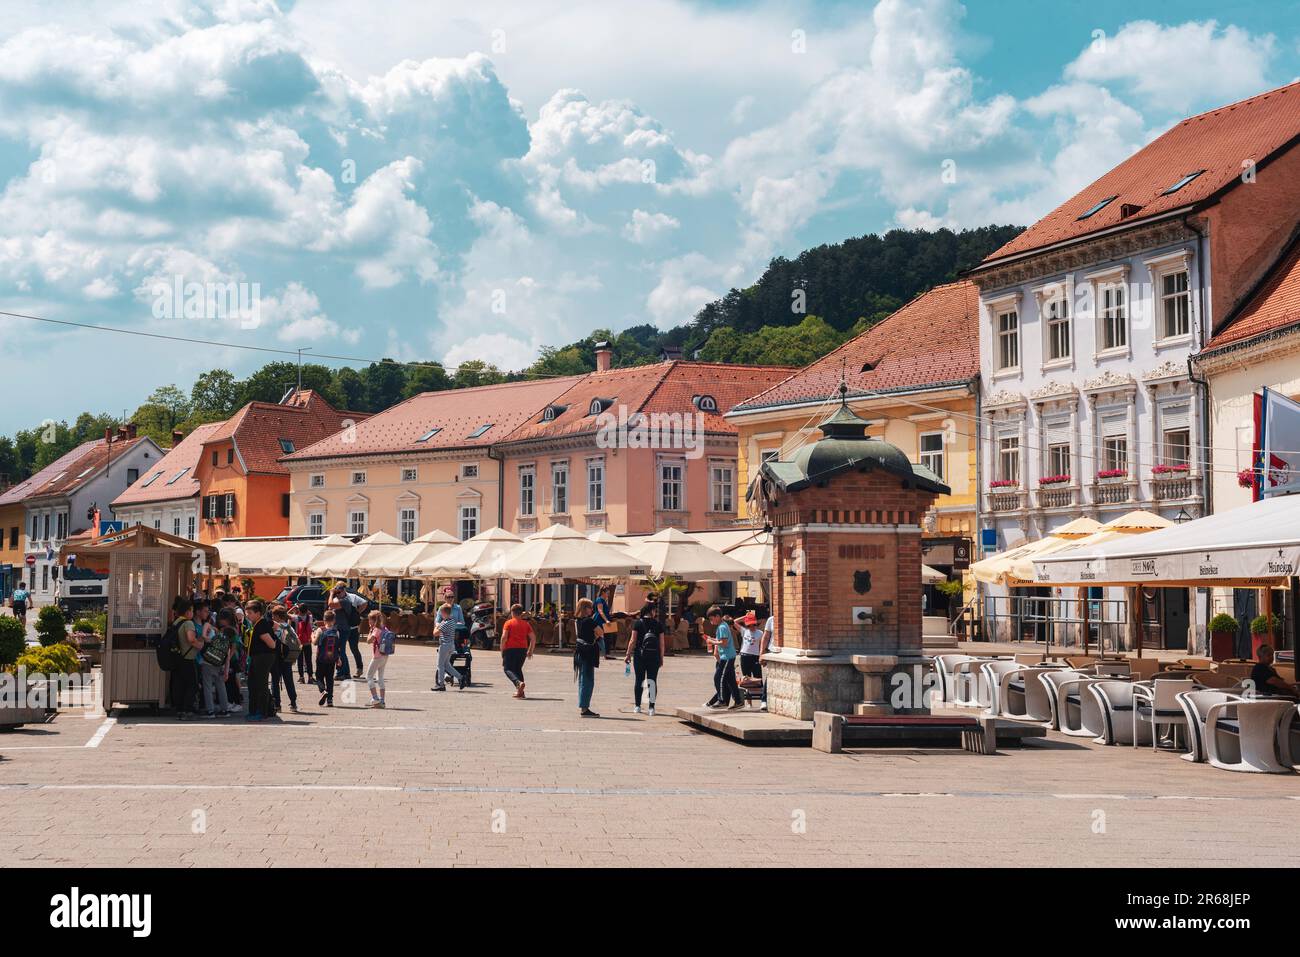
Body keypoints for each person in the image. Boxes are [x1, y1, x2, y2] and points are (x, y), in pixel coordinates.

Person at [626, 603, 665, 716]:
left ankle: (637, 706)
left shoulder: (638, 623)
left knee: (639, 680)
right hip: (654, 656)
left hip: (640, 655)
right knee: (652, 681)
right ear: (652, 611)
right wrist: (661, 658)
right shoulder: (658, 624)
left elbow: (633, 640)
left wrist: (628, 654)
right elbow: (662, 644)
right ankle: (651, 708)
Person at [169, 597, 202, 720]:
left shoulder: (176, 622)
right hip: (188, 658)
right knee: (192, 684)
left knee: (180, 685)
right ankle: (187, 710)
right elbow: (191, 639)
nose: (192, 613)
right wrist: (201, 645)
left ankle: (180, 709)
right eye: (192, 611)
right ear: (188, 611)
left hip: (177, 658)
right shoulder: (188, 623)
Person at [246, 600, 277, 721]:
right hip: (256, 658)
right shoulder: (257, 623)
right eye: (246, 612)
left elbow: (272, 645)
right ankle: (253, 711)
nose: (247, 615)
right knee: (252, 684)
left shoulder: (262, 625)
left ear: (258, 613)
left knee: (261, 685)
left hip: (263, 658)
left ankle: (262, 711)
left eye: (250, 613)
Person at [705, 606, 742, 710]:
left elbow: (724, 643)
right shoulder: (723, 625)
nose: (711, 621)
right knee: (730, 680)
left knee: (718, 677)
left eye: (712, 619)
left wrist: (712, 642)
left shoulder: (722, 627)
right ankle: (738, 701)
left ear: (717, 616)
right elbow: (721, 640)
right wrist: (712, 639)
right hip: (729, 656)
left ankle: (722, 701)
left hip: (727, 657)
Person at [499, 604, 535, 699]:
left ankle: (518, 683)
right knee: (518, 669)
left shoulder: (508, 623)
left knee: (507, 669)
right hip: (522, 649)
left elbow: (504, 637)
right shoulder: (526, 624)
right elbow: (533, 638)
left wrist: (502, 648)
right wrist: (530, 650)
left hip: (510, 649)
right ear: (521, 613)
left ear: (512, 612)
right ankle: (521, 692)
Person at [573, 597, 601, 717]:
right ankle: (585, 708)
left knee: (582, 680)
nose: (592, 609)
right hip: (588, 654)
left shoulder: (577, 621)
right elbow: (600, 631)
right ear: (585, 608)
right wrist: (595, 636)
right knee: (588, 681)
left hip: (579, 652)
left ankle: (583, 706)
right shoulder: (589, 621)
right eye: (590, 607)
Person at [269, 606, 299, 714]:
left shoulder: (276, 627)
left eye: (273, 615)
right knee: (289, 681)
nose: (272, 617)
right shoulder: (289, 628)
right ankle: (293, 703)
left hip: (276, 658)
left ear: (277, 616)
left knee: (275, 681)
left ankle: (277, 705)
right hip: (287, 658)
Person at [431, 603, 462, 691]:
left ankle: (441, 684)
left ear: (444, 613)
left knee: (440, 665)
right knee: (447, 665)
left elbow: (435, 633)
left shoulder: (446, 623)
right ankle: (460, 677)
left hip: (445, 645)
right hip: (451, 645)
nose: (440, 615)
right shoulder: (451, 621)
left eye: (441, 613)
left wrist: (436, 626)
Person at [314, 610, 340, 707]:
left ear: (324, 620)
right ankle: (330, 700)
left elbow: (315, 642)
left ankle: (323, 691)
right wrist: (338, 659)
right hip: (332, 659)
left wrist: (312, 636)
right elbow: (338, 647)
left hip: (320, 658)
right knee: (330, 679)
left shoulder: (320, 630)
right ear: (334, 620)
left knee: (319, 677)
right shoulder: (336, 631)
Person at [365, 609, 390, 708]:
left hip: (377, 656)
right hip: (385, 656)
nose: (368, 622)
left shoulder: (376, 629)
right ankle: (382, 701)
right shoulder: (385, 628)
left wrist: (370, 630)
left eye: (369, 620)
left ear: (373, 620)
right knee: (380, 678)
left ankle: (375, 698)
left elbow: (368, 641)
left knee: (369, 676)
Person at [737, 610, 764, 684]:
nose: (751, 627)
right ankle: (748, 693)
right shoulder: (744, 631)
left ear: (756, 624)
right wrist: (746, 617)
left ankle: (760, 693)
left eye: (753, 625)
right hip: (744, 656)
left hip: (755, 656)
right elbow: (734, 622)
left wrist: (762, 656)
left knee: (758, 677)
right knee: (746, 677)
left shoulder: (760, 633)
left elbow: (763, 645)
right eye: (749, 625)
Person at [292, 604, 315, 685]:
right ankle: (310, 677)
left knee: (300, 660)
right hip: (308, 641)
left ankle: (301, 677)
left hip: (299, 642)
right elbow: (310, 613)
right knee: (308, 660)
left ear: (299, 610)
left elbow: (285, 615)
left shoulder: (295, 618)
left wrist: (293, 609)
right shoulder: (310, 617)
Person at [593, 587, 614, 659]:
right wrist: (606, 620)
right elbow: (600, 611)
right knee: (600, 636)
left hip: (603, 620)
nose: (608, 594)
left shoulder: (603, 600)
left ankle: (606, 653)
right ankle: (606, 653)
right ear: (603, 592)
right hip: (600, 620)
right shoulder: (599, 599)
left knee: (603, 636)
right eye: (607, 593)